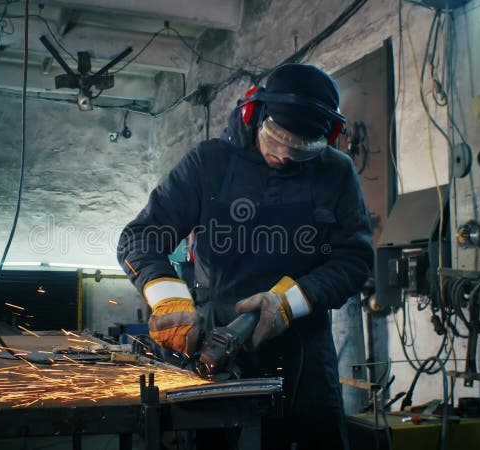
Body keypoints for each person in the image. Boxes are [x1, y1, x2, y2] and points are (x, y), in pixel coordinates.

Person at [117, 63, 374, 450]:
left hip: (302, 348)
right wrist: (168, 297)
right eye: (276, 139)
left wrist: (287, 303)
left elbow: (353, 261)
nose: (285, 156)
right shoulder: (209, 162)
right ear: (254, 115)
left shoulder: (335, 173)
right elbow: (140, 238)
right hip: (213, 341)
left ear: (327, 140)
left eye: (301, 150)